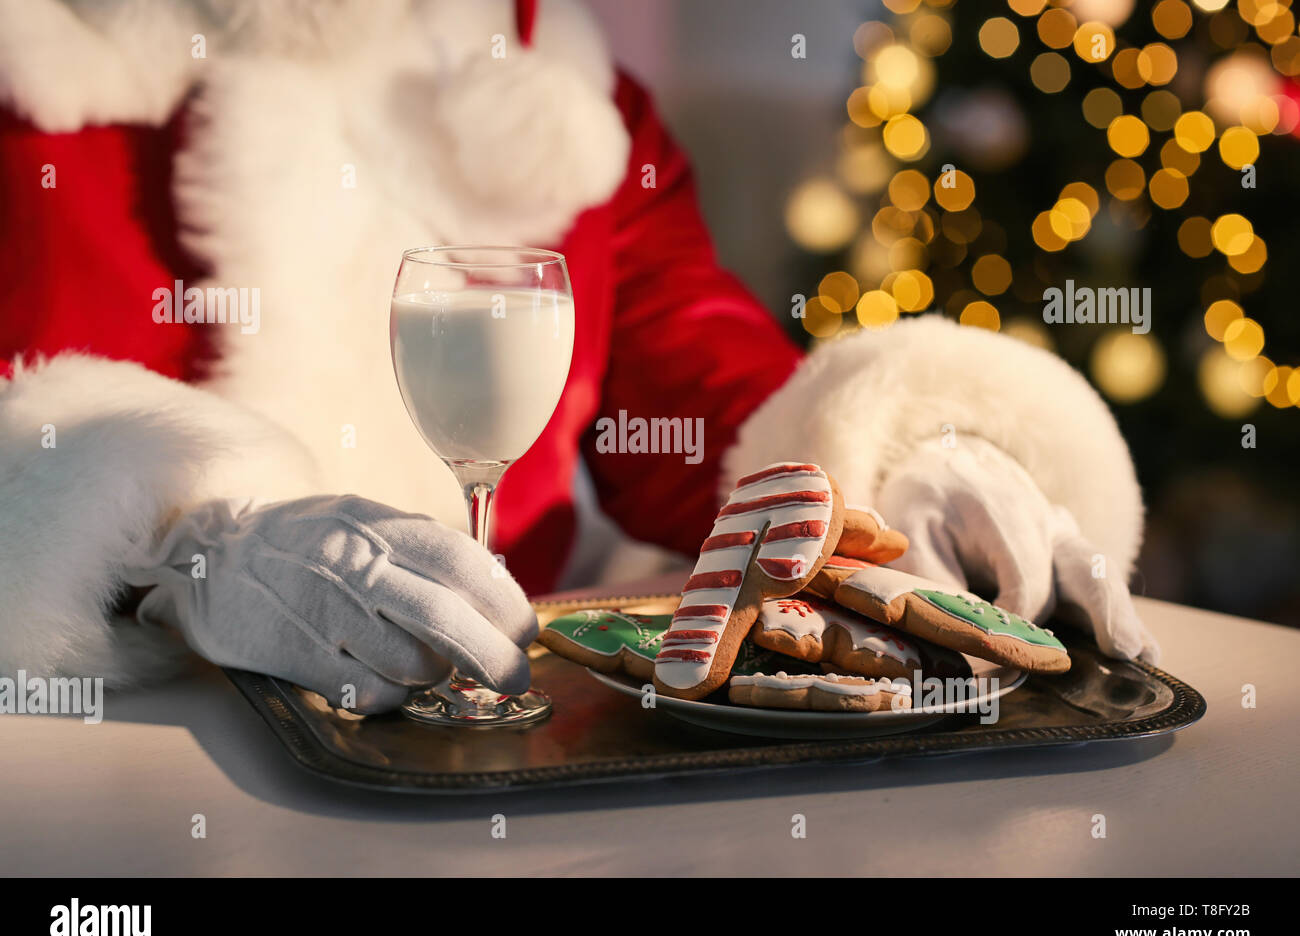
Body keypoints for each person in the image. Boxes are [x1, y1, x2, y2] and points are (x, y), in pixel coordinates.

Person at [0, 0, 1156, 713]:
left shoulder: (561, 89)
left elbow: (708, 381)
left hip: (531, 767)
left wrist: (892, 467)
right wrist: (172, 550)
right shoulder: (34, 68)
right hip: (123, 784)